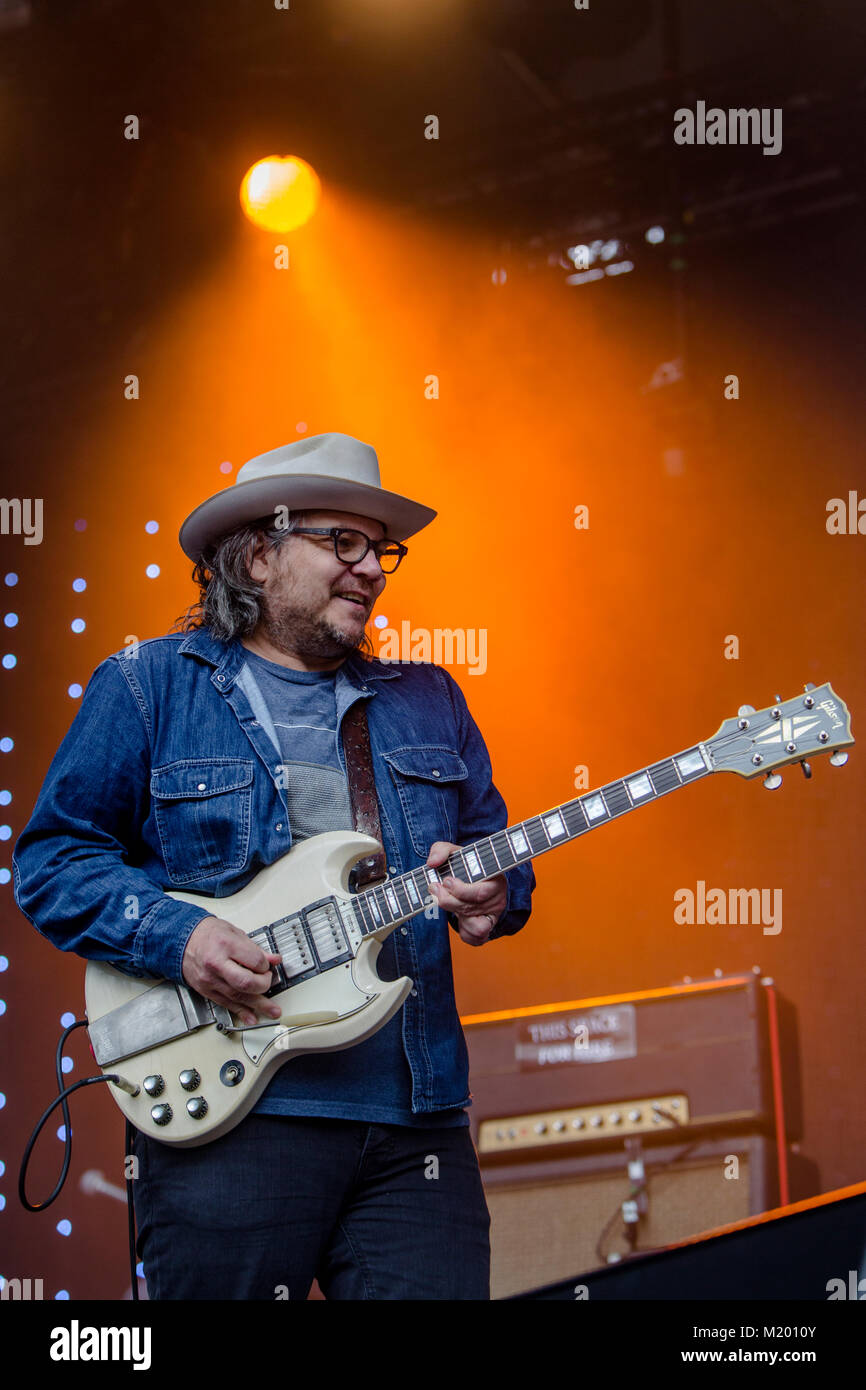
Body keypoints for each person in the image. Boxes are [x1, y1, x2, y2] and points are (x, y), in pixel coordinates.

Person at [13, 431, 535, 1300]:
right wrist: (180, 938)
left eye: (381, 550)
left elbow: (493, 862)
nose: (370, 568)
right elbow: (54, 860)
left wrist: (496, 892)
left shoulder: (430, 699)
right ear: (257, 555)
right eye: (343, 542)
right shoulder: (147, 685)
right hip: (234, 1119)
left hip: (415, 1119)